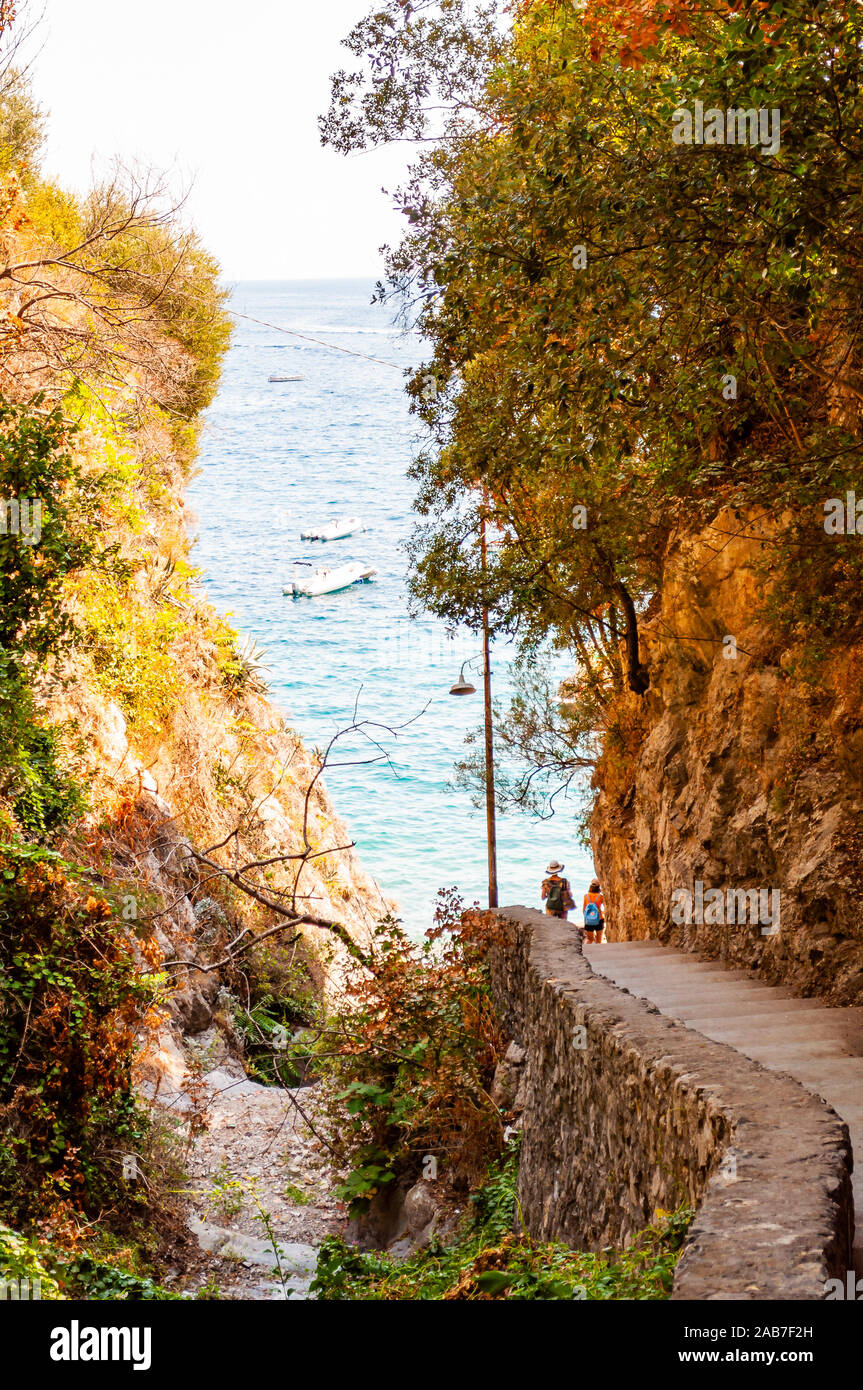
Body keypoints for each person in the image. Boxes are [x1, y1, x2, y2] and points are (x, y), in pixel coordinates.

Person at [582, 878, 605, 944]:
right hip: (599, 919)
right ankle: (598, 953)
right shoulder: (600, 897)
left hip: (589, 920)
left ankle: (585, 952)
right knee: (598, 940)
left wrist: (587, 918)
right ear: (599, 887)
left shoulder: (586, 896)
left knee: (589, 939)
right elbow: (605, 907)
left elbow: (584, 910)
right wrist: (601, 912)